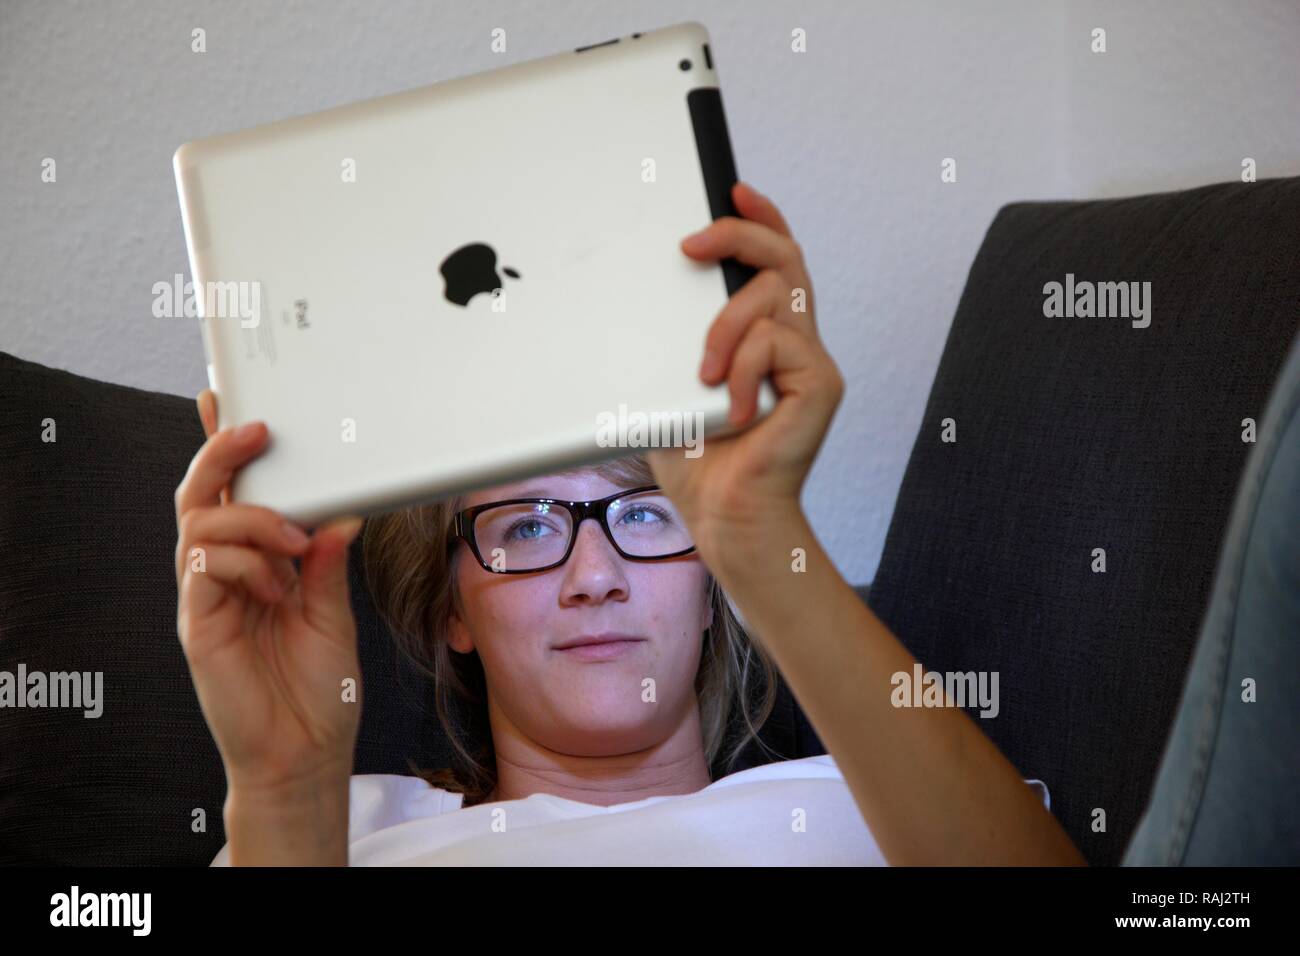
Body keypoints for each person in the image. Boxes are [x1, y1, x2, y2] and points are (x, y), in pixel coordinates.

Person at [175, 182, 1083, 866]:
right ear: (453, 608)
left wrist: (767, 538)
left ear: (710, 587)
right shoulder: (332, 835)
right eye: (526, 528)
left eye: (649, 514)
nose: (594, 575)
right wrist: (282, 792)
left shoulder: (876, 807)